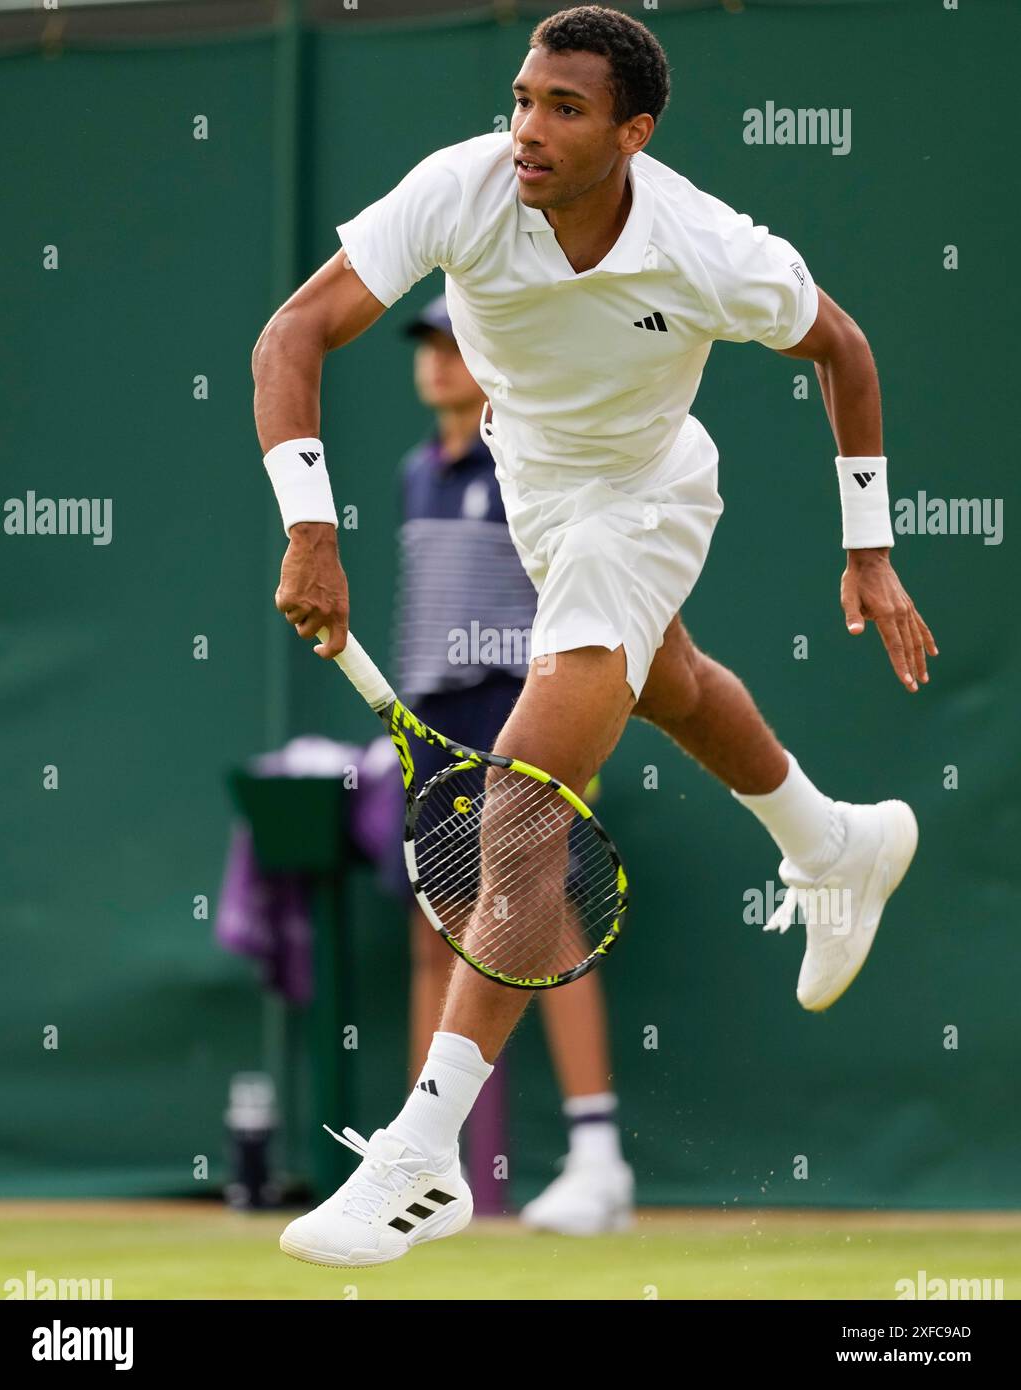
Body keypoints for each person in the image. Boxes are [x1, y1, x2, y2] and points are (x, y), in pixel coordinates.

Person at [253, 5, 937, 1267]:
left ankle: (423, 1152)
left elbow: (841, 347)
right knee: (670, 681)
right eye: (521, 99)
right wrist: (311, 527)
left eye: (563, 109)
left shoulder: (707, 247)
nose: (526, 129)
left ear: (633, 132)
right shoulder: (463, 187)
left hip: (648, 491)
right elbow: (290, 334)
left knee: (518, 809)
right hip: (538, 487)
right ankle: (831, 841)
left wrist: (870, 547)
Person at [382, 292, 634, 1232]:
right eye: (428, 346)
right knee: (434, 930)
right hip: (434, 720)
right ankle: (426, 1160)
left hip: (518, 708)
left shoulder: (528, 463)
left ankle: (597, 1156)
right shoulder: (417, 472)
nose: (439, 361)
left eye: (456, 344)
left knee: (543, 917)